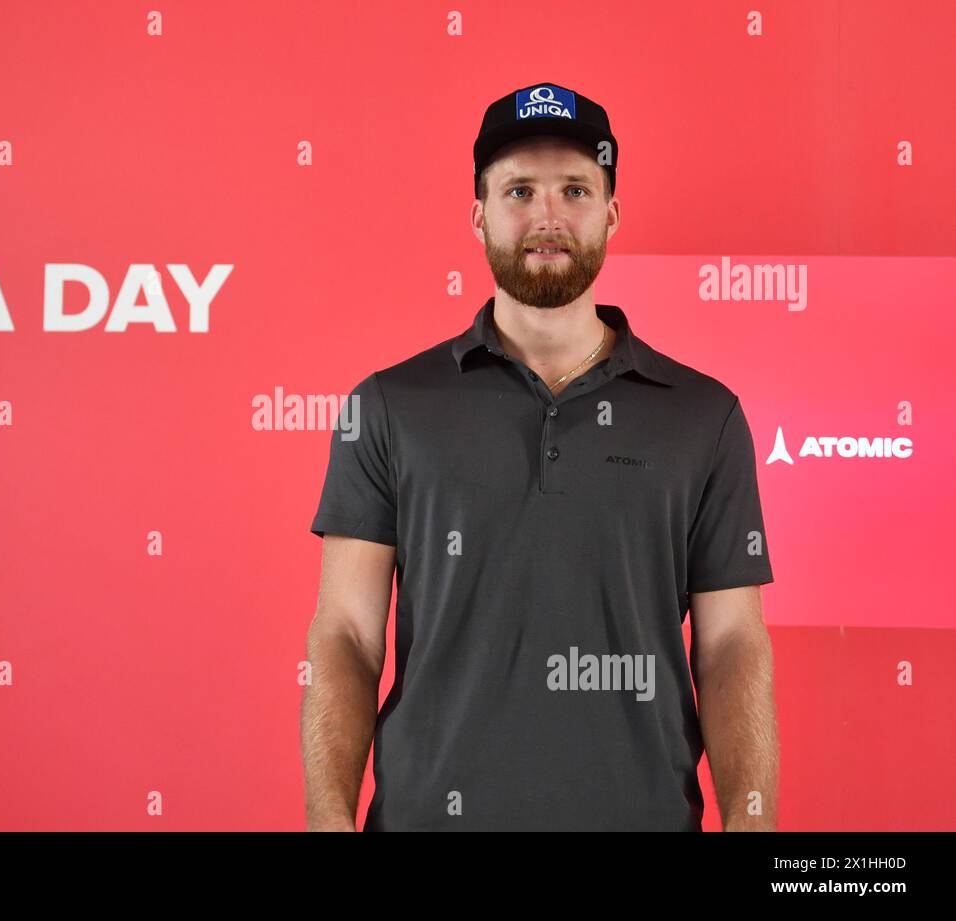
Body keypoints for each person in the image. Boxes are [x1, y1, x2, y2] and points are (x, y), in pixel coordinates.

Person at [301, 83, 778, 831]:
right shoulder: (388, 406)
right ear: (479, 215)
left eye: (575, 189)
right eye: (519, 189)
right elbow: (348, 635)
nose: (547, 216)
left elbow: (731, 645)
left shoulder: (703, 417)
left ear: (612, 214)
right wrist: (328, 820)